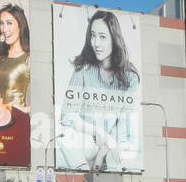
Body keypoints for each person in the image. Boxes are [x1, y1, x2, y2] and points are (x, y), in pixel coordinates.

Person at [59, 10, 141, 171]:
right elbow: (67, 115)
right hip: (87, 138)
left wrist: (103, 152)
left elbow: (124, 124)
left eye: (102, 37)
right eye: (93, 35)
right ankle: (84, 181)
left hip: (115, 141)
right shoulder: (83, 70)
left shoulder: (130, 77)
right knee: (64, 137)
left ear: (114, 39)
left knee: (121, 155)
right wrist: (100, 132)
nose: (96, 43)